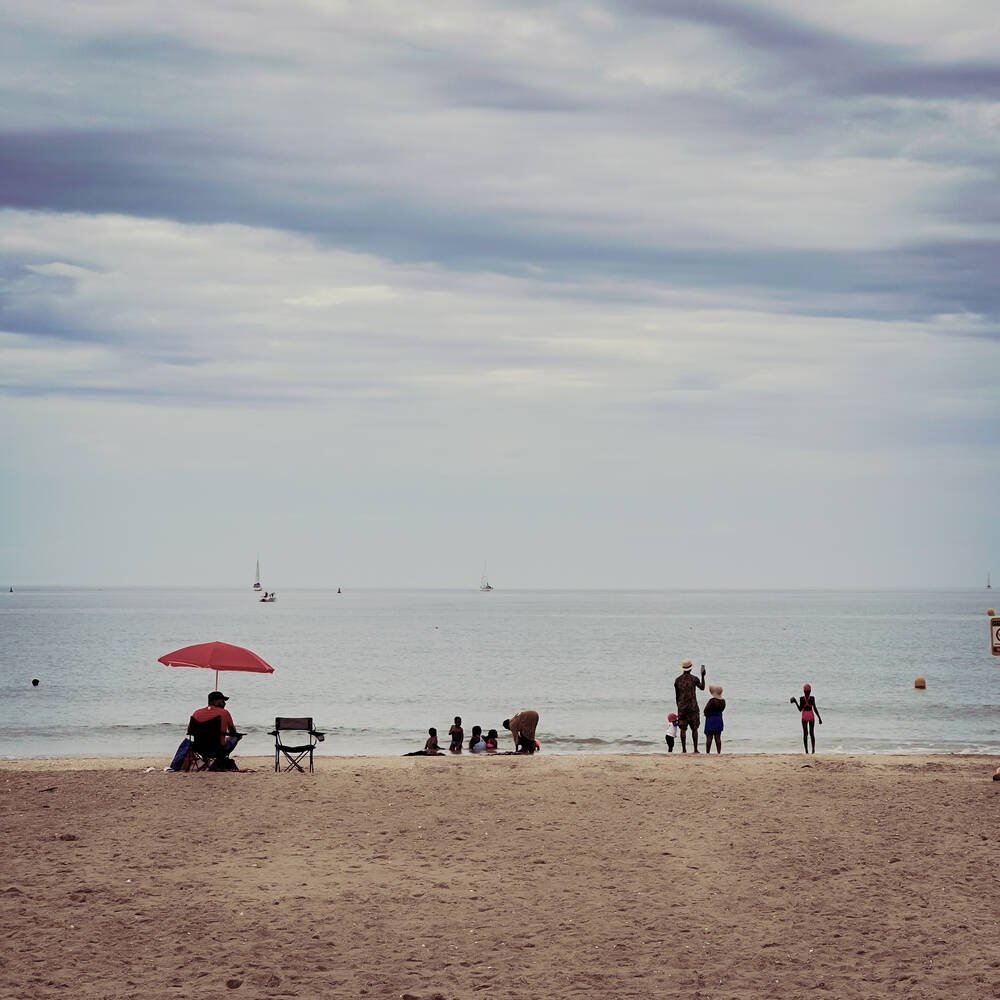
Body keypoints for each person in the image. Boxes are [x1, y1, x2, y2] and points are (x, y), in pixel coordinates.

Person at [187, 691, 242, 765]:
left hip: (199, 748)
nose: (225, 703)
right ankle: (221, 758)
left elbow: (189, 731)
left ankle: (206, 760)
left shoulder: (196, 713)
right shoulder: (224, 712)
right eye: (222, 701)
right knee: (236, 737)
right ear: (215, 701)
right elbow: (233, 732)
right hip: (218, 749)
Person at [673, 660, 706, 753]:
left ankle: (684, 749)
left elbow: (677, 695)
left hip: (682, 707)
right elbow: (702, 688)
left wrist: (679, 706)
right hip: (693, 707)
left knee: (683, 729)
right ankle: (695, 749)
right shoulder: (694, 679)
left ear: (683, 669)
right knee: (694, 729)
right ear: (691, 668)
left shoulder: (677, 680)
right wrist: (703, 676)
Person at [790, 683, 822, 753]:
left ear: (804, 691)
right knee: (812, 733)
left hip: (804, 715)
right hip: (811, 715)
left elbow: (800, 709)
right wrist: (819, 718)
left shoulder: (801, 699)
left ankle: (806, 751)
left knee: (805, 733)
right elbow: (815, 709)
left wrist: (795, 701)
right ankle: (813, 750)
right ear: (810, 691)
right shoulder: (812, 698)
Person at [703, 684, 726, 754]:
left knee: (709, 737)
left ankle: (708, 752)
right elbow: (722, 710)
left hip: (710, 719)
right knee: (718, 737)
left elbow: (705, 710)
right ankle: (718, 752)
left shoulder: (712, 701)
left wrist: (706, 714)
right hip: (719, 719)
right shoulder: (723, 701)